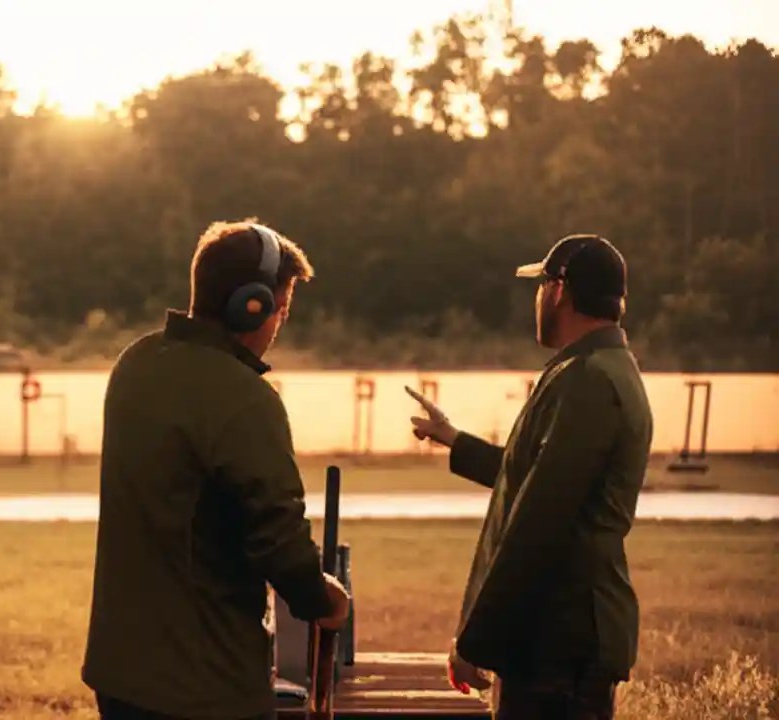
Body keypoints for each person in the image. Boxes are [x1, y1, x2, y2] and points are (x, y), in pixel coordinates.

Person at [82, 220, 351, 720]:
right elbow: (280, 544)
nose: (277, 326)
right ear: (254, 305)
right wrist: (325, 597)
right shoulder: (247, 399)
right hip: (203, 687)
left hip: (120, 675)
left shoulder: (135, 364)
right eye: (281, 309)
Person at [407, 234, 653, 720]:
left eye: (541, 285)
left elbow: (538, 520)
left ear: (559, 290)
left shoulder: (588, 379)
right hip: (560, 637)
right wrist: (455, 439)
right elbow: (537, 474)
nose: (537, 298)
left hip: (558, 640)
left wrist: (476, 640)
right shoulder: (597, 369)